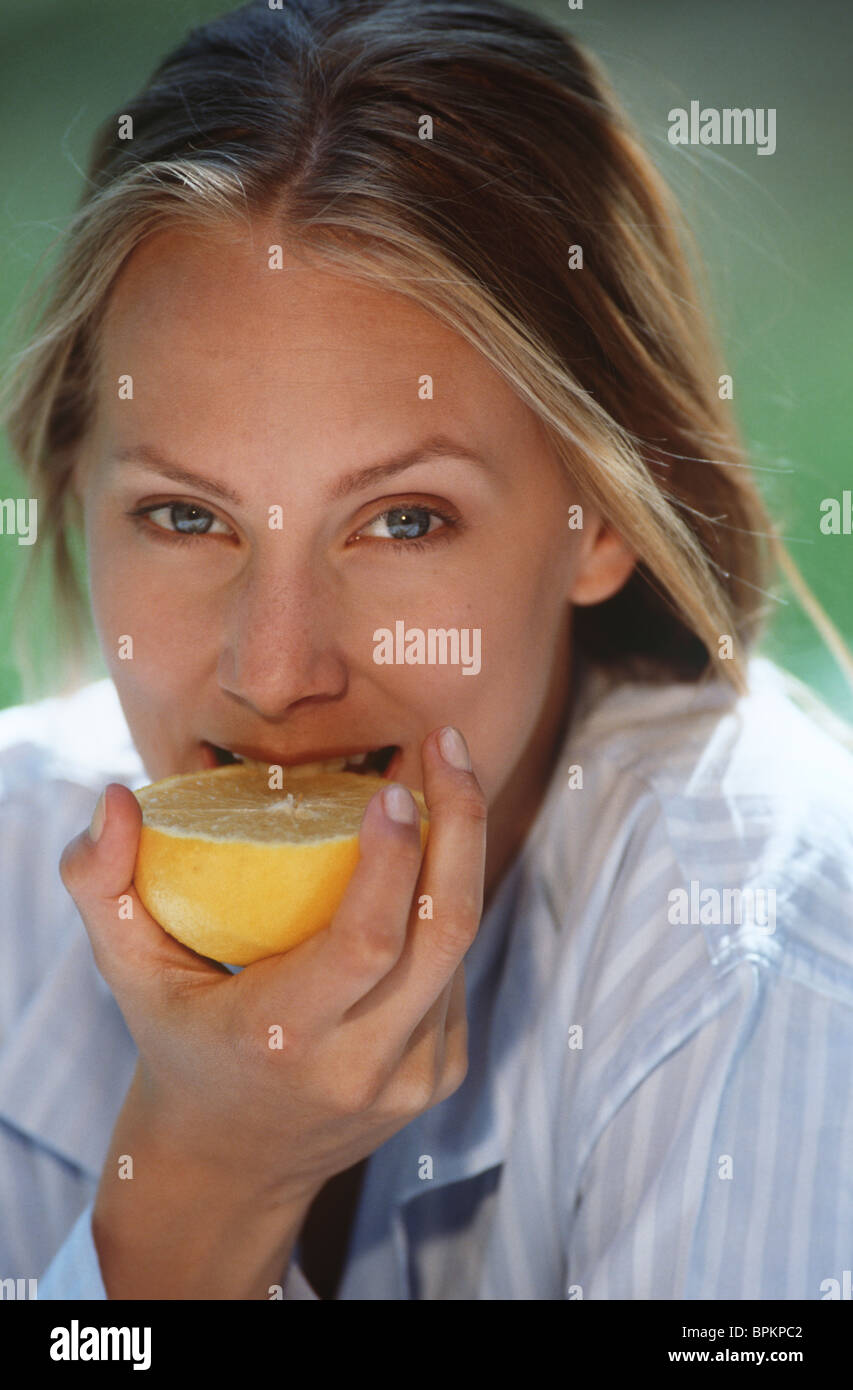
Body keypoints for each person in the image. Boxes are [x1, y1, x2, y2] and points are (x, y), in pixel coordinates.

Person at [1, 0, 851, 1301]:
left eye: (403, 519)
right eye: (185, 514)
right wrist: (192, 1201)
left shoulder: (752, 955)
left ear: (601, 517)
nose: (275, 670)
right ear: (74, 485)